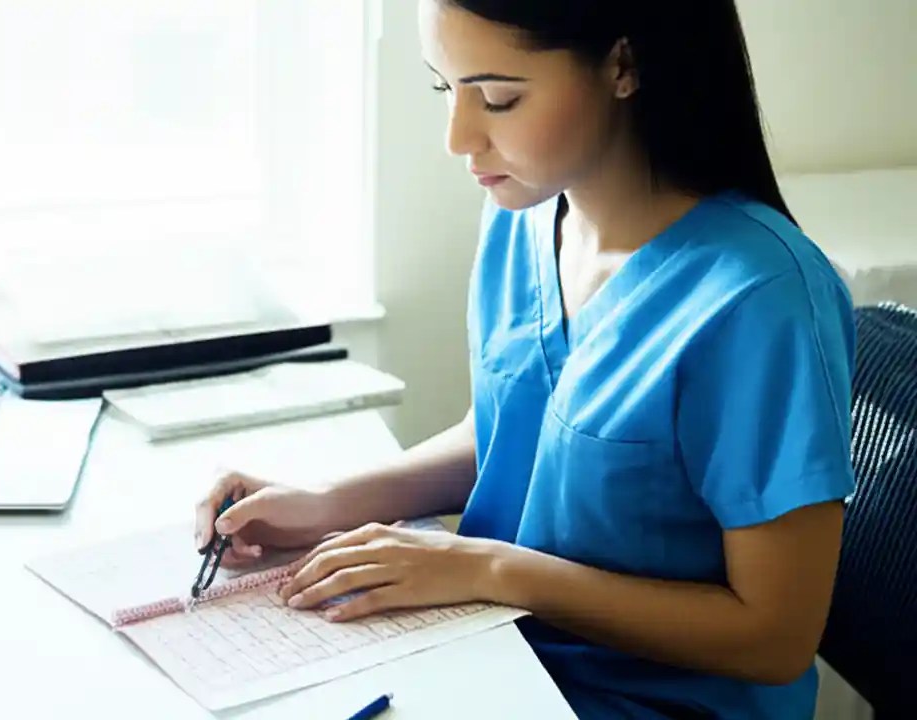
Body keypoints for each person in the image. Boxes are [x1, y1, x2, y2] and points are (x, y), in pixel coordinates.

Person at [193, 1, 855, 718]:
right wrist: (325, 503)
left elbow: (774, 637)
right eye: (444, 89)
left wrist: (490, 569)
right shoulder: (526, 215)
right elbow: (516, 431)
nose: (458, 137)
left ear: (624, 67)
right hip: (498, 657)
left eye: (499, 98)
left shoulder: (760, 299)